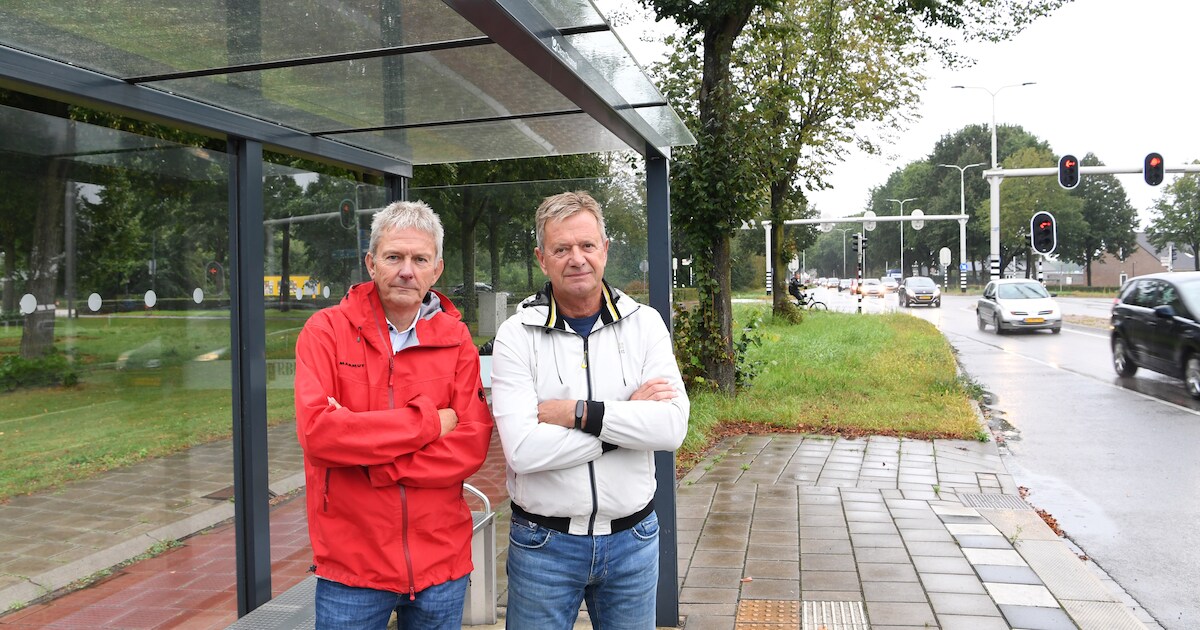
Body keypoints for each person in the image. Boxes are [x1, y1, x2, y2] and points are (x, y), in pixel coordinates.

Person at [490, 191, 689, 629]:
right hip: (543, 543)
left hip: (633, 541)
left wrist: (580, 413)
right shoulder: (516, 334)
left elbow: (671, 428)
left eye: (586, 245)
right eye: (561, 249)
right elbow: (523, 451)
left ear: (605, 249)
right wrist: (626, 423)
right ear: (543, 259)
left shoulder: (645, 323)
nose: (576, 259)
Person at [293, 200, 494, 629]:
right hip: (352, 567)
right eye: (394, 257)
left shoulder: (456, 339)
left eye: (420, 259)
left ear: (436, 270)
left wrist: (372, 460)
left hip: (441, 564)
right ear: (371, 263)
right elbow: (319, 435)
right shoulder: (325, 332)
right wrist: (429, 424)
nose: (407, 270)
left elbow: (472, 444)